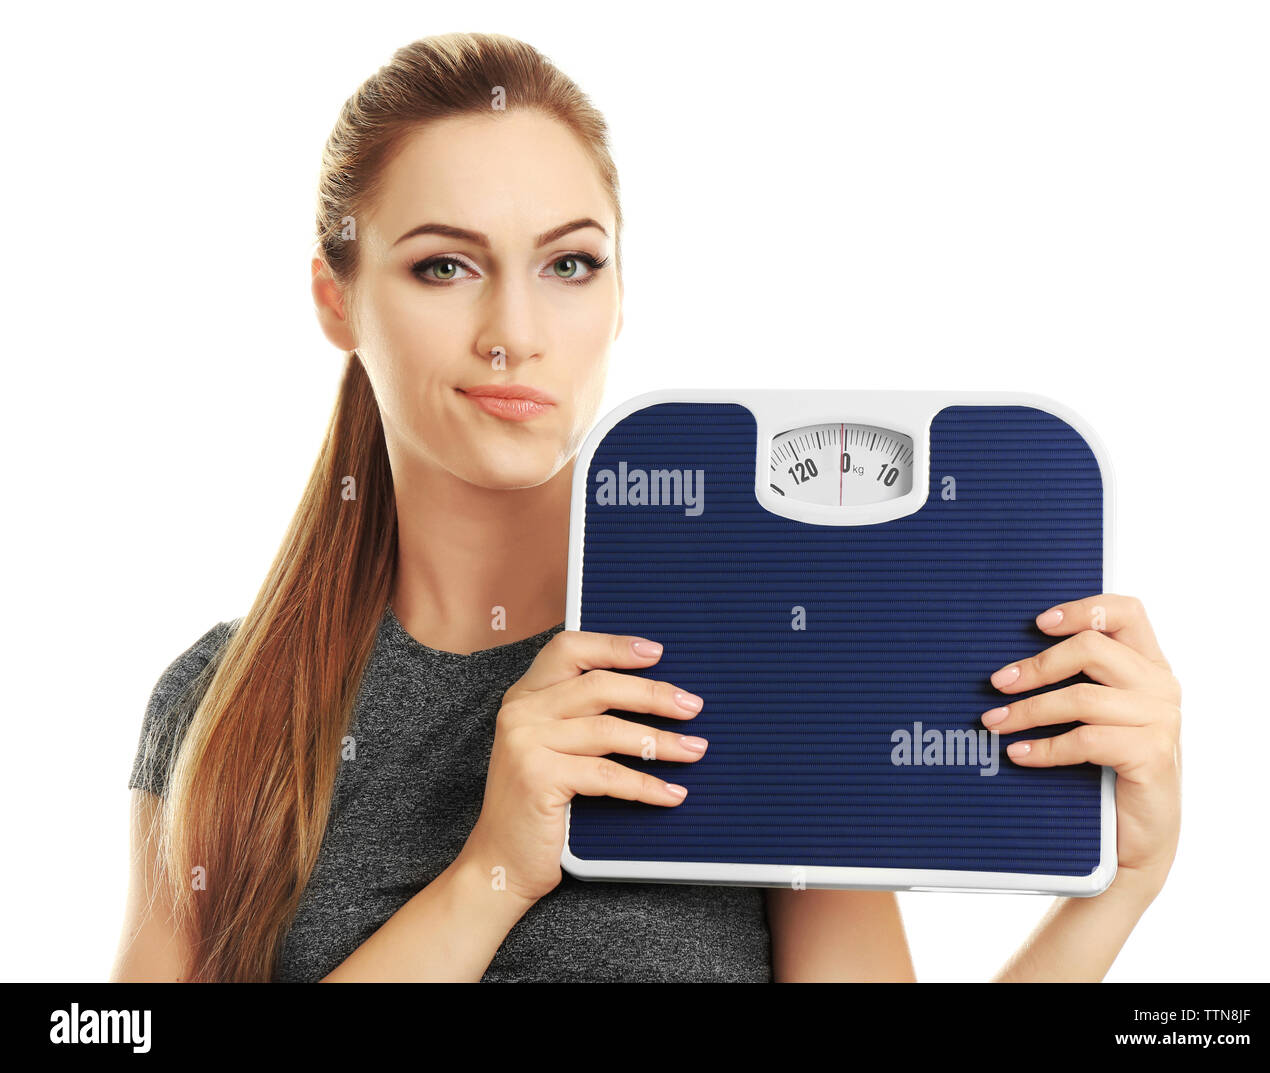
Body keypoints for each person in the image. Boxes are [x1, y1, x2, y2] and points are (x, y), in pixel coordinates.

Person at [111, 32, 1182, 983]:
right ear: (335, 297)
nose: (514, 330)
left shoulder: (760, 658)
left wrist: (1119, 886)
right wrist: (491, 868)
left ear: (619, 298)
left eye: (570, 263)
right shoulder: (218, 704)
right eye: (445, 265)